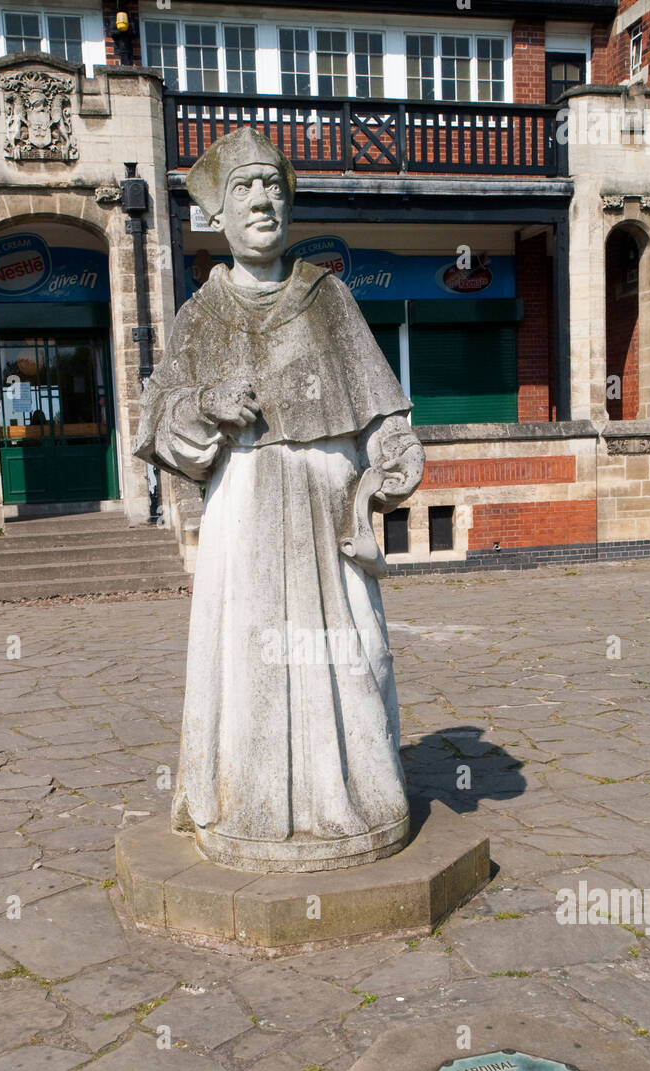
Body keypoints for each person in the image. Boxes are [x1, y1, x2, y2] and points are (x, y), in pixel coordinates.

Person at [134, 128, 424, 874]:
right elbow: (157, 421)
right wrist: (207, 402)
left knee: (348, 655)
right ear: (220, 213)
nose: (262, 199)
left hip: (329, 508)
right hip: (246, 511)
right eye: (244, 187)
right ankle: (250, 806)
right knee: (251, 658)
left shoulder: (328, 298)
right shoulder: (202, 314)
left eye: (273, 185)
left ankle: (353, 799)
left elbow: (385, 414)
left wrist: (392, 457)